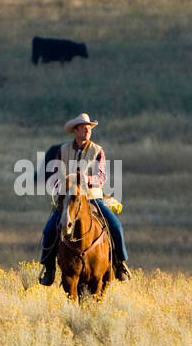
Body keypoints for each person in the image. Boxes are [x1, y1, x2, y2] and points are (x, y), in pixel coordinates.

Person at [39, 113, 130, 285]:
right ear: (76, 130)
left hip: (92, 198)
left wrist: (85, 180)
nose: (88, 130)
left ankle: (120, 264)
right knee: (49, 230)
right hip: (68, 199)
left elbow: (101, 177)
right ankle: (49, 268)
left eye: (89, 128)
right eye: (84, 127)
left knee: (116, 226)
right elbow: (54, 175)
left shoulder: (97, 151)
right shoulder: (63, 151)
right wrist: (63, 184)